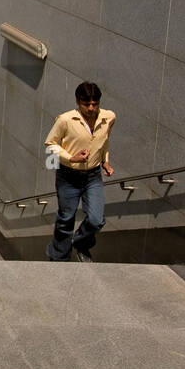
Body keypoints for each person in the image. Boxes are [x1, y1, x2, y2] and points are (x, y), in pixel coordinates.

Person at [43, 81, 116, 262]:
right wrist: (70, 157)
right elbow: (50, 144)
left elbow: (103, 141)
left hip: (92, 175)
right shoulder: (65, 120)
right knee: (66, 219)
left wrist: (105, 161)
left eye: (95, 104)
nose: (91, 108)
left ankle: (81, 243)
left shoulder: (108, 117)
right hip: (68, 175)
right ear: (78, 101)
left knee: (96, 219)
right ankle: (58, 256)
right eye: (86, 104)